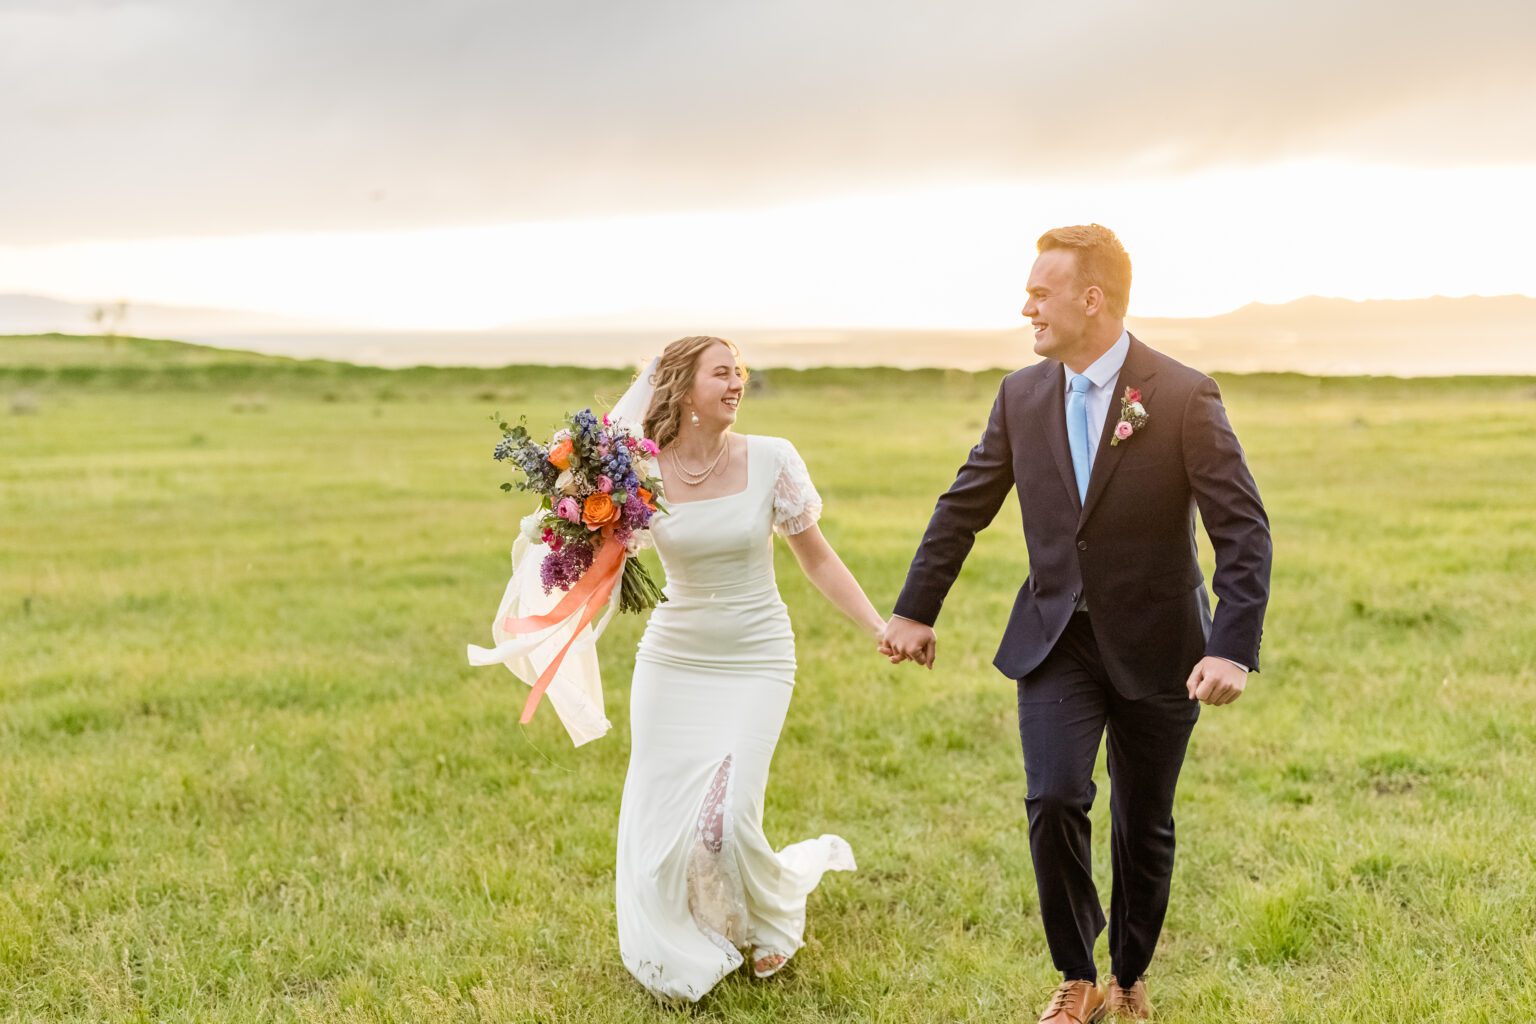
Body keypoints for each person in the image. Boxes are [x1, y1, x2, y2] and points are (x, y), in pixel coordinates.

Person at [881, 225, 1272, 1023]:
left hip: (1163, 645)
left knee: (1143, 821)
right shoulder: (1020, 396)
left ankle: (1129, 974)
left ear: (1092, 299)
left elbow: (1242, 530)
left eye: (1040, 292)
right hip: (1056, 637)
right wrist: (916, 608)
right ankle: (1076, 974)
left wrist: (1231, 648)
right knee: (1055, 796)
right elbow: (964, 504)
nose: (1026, 307)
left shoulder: (1182, 393)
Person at [616, 335, 883, 1001]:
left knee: (729, 817)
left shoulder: (772, 459)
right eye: (722, 374)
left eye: (739, 372)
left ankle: (775, 918)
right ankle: (686, 932)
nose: (737, 383)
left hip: (756, 657)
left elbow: (817, 557)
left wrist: (878, 627)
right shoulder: (639, 473)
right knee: (665, 821)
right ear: (682, 388)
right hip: (671, 661)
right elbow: (608, 563)